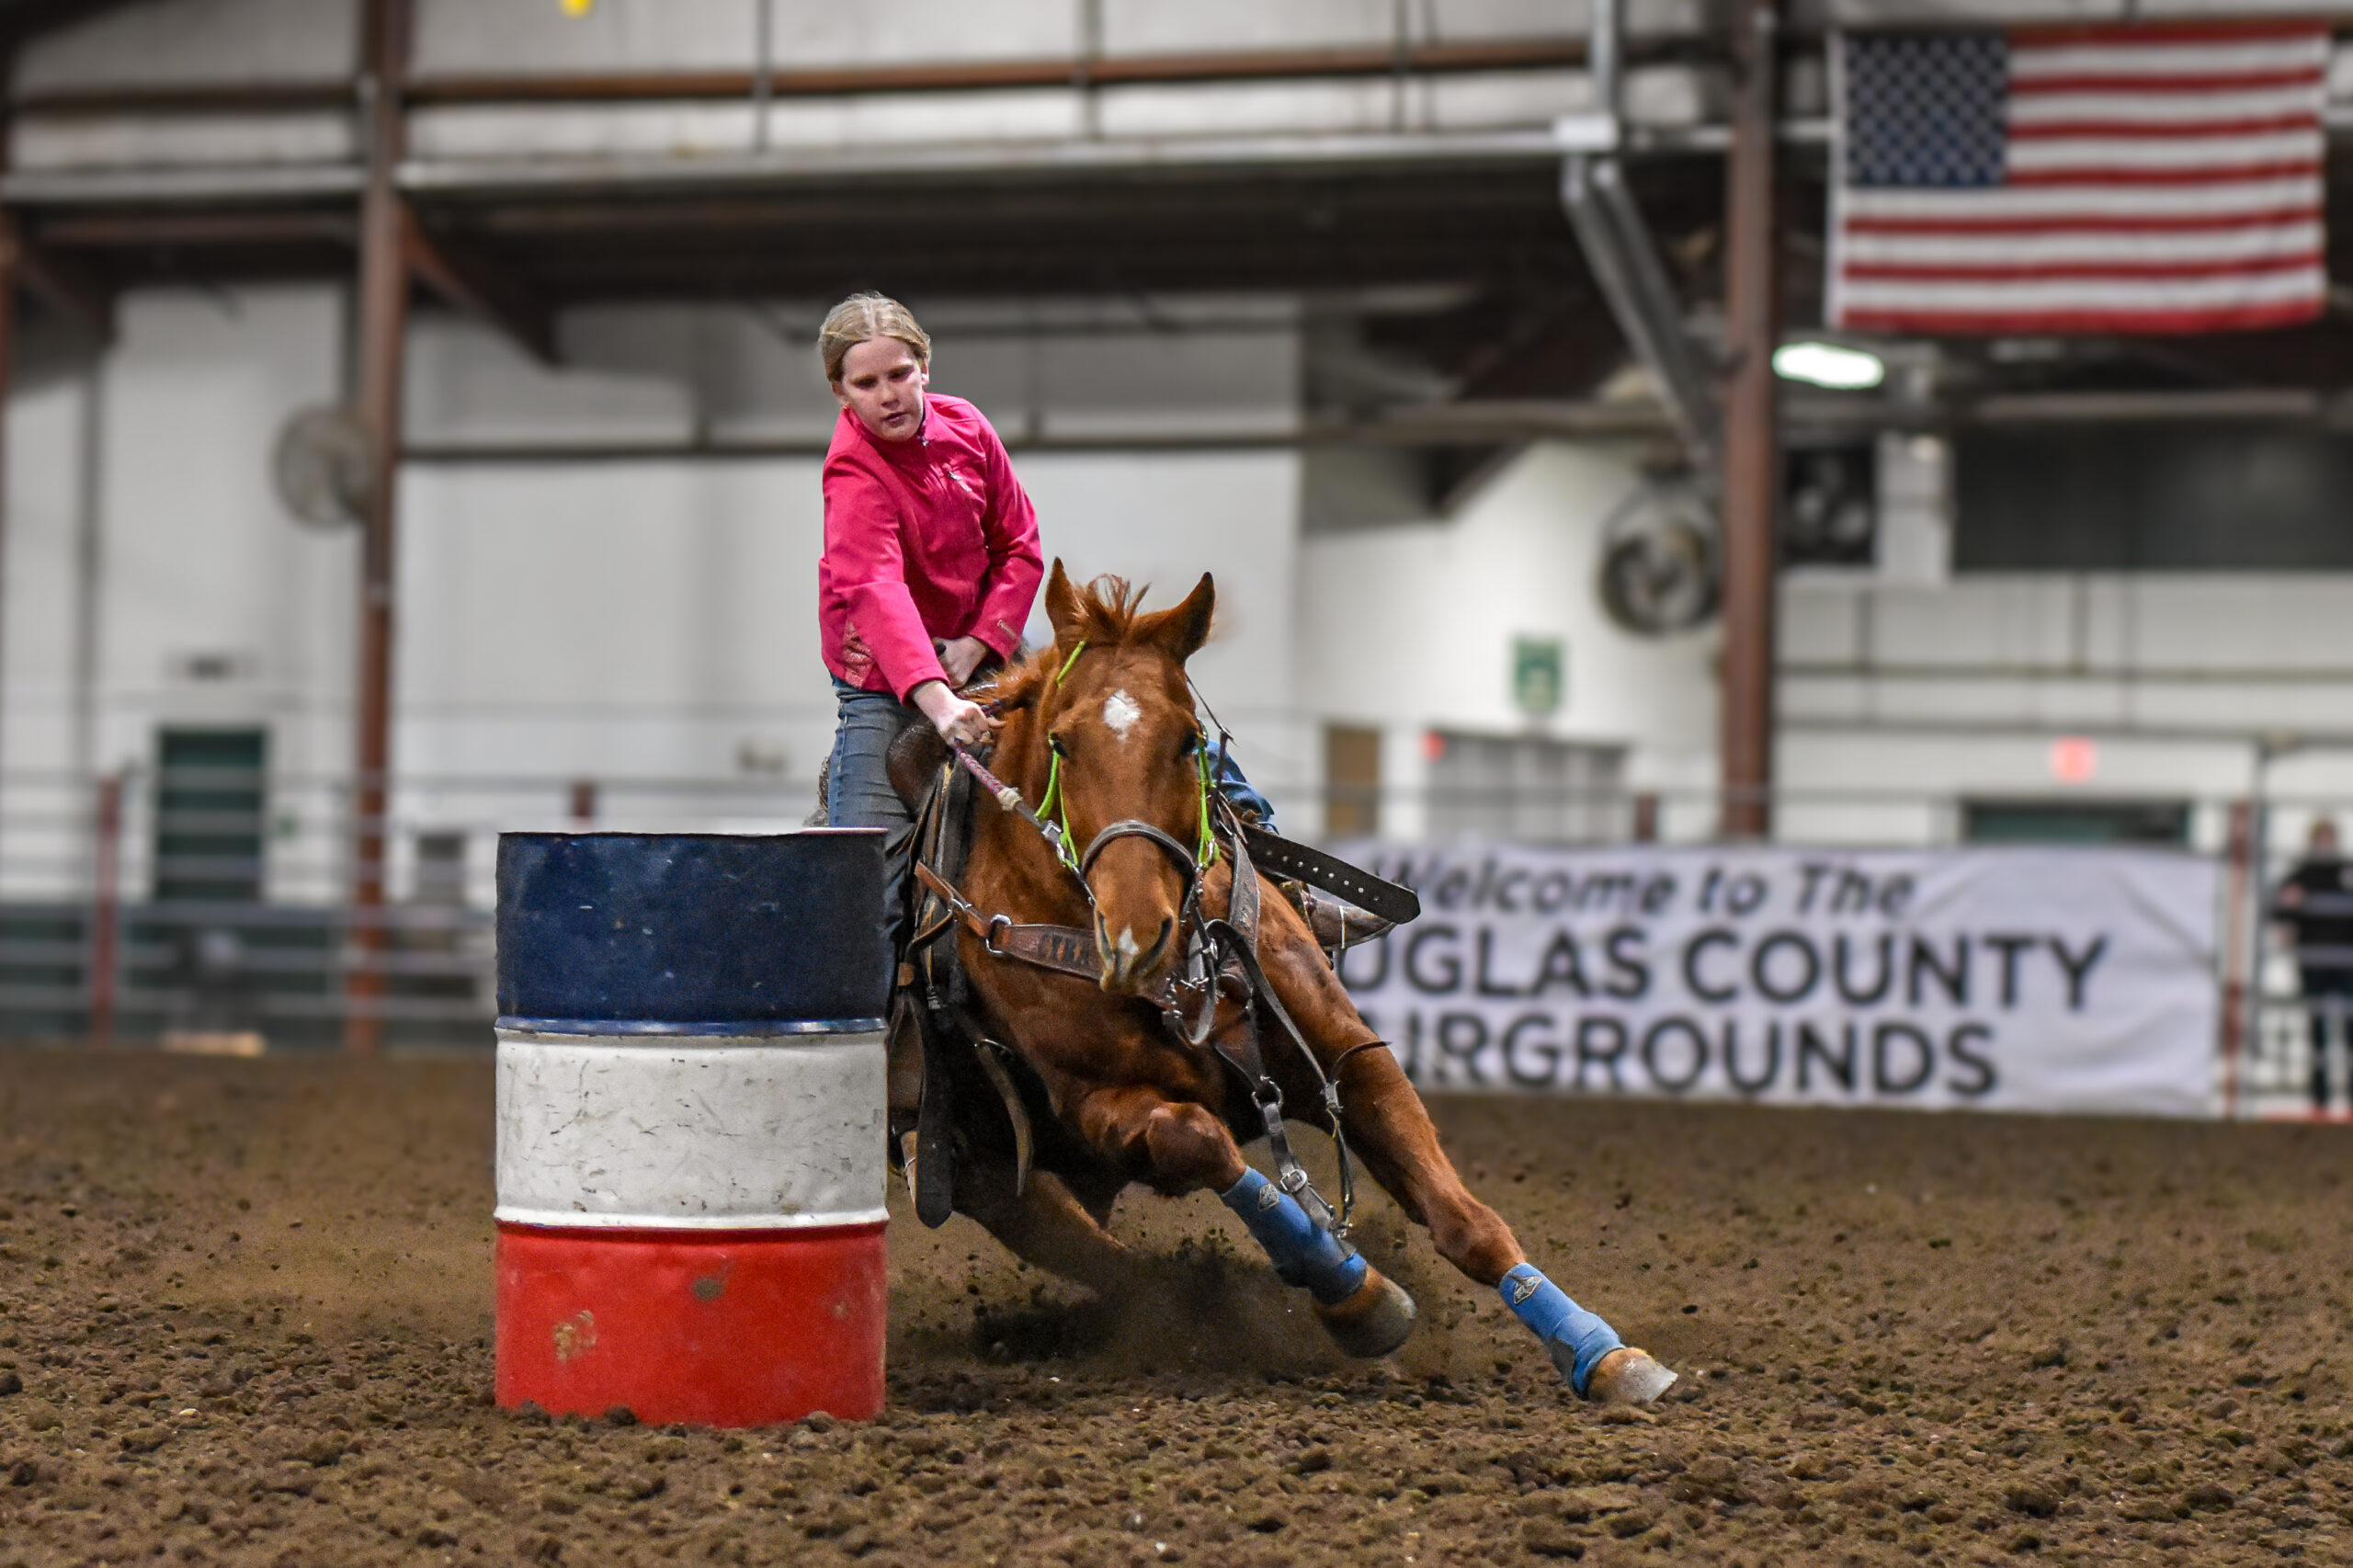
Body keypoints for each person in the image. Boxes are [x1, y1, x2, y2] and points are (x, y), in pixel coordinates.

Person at [817, 293, 1041, 906]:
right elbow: (876, 590)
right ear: (842, 393)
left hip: (983, 645)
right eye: (866, 383)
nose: (888, 395)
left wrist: (980, 643)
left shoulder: (967, 425)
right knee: (862, 881)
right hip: (885, 682)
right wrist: (938, 699)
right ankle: (869, 996)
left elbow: (1020, 544)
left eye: (900, 375)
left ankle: (1258, 845)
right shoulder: (852, 473)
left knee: (1130, 721)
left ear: (925, 369)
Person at [2275, 817, 2353, 1113]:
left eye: (2330, 839)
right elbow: (2279, 909)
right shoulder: (2301, 875)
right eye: (2322, 839)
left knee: (2351, 1031)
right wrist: (2287, 914)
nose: (2327, 845)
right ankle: (2320, 1101)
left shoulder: (2346, 871)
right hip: (2315, 965)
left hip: (2347, 965)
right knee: (2317, 1030)